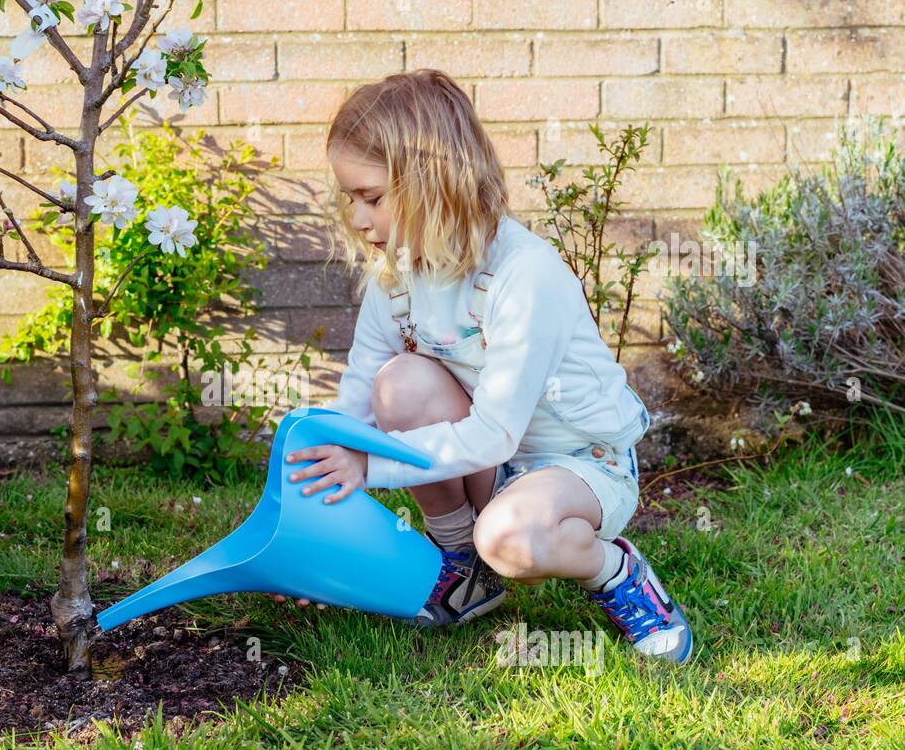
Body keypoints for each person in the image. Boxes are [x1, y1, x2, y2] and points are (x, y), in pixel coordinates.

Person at [279, 69, 692, 663]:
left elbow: (494, 431)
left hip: (579, 464)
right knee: (397, 383)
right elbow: (358, 405)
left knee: (509, 538)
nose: (360, 219)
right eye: (350, 199)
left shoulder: (525, 275)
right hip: (493, 461)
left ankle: (619, 575)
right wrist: (321, 526)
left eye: (372, 197)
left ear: (435, 182)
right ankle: (466, 570)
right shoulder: (396, 277)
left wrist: (367, 467)